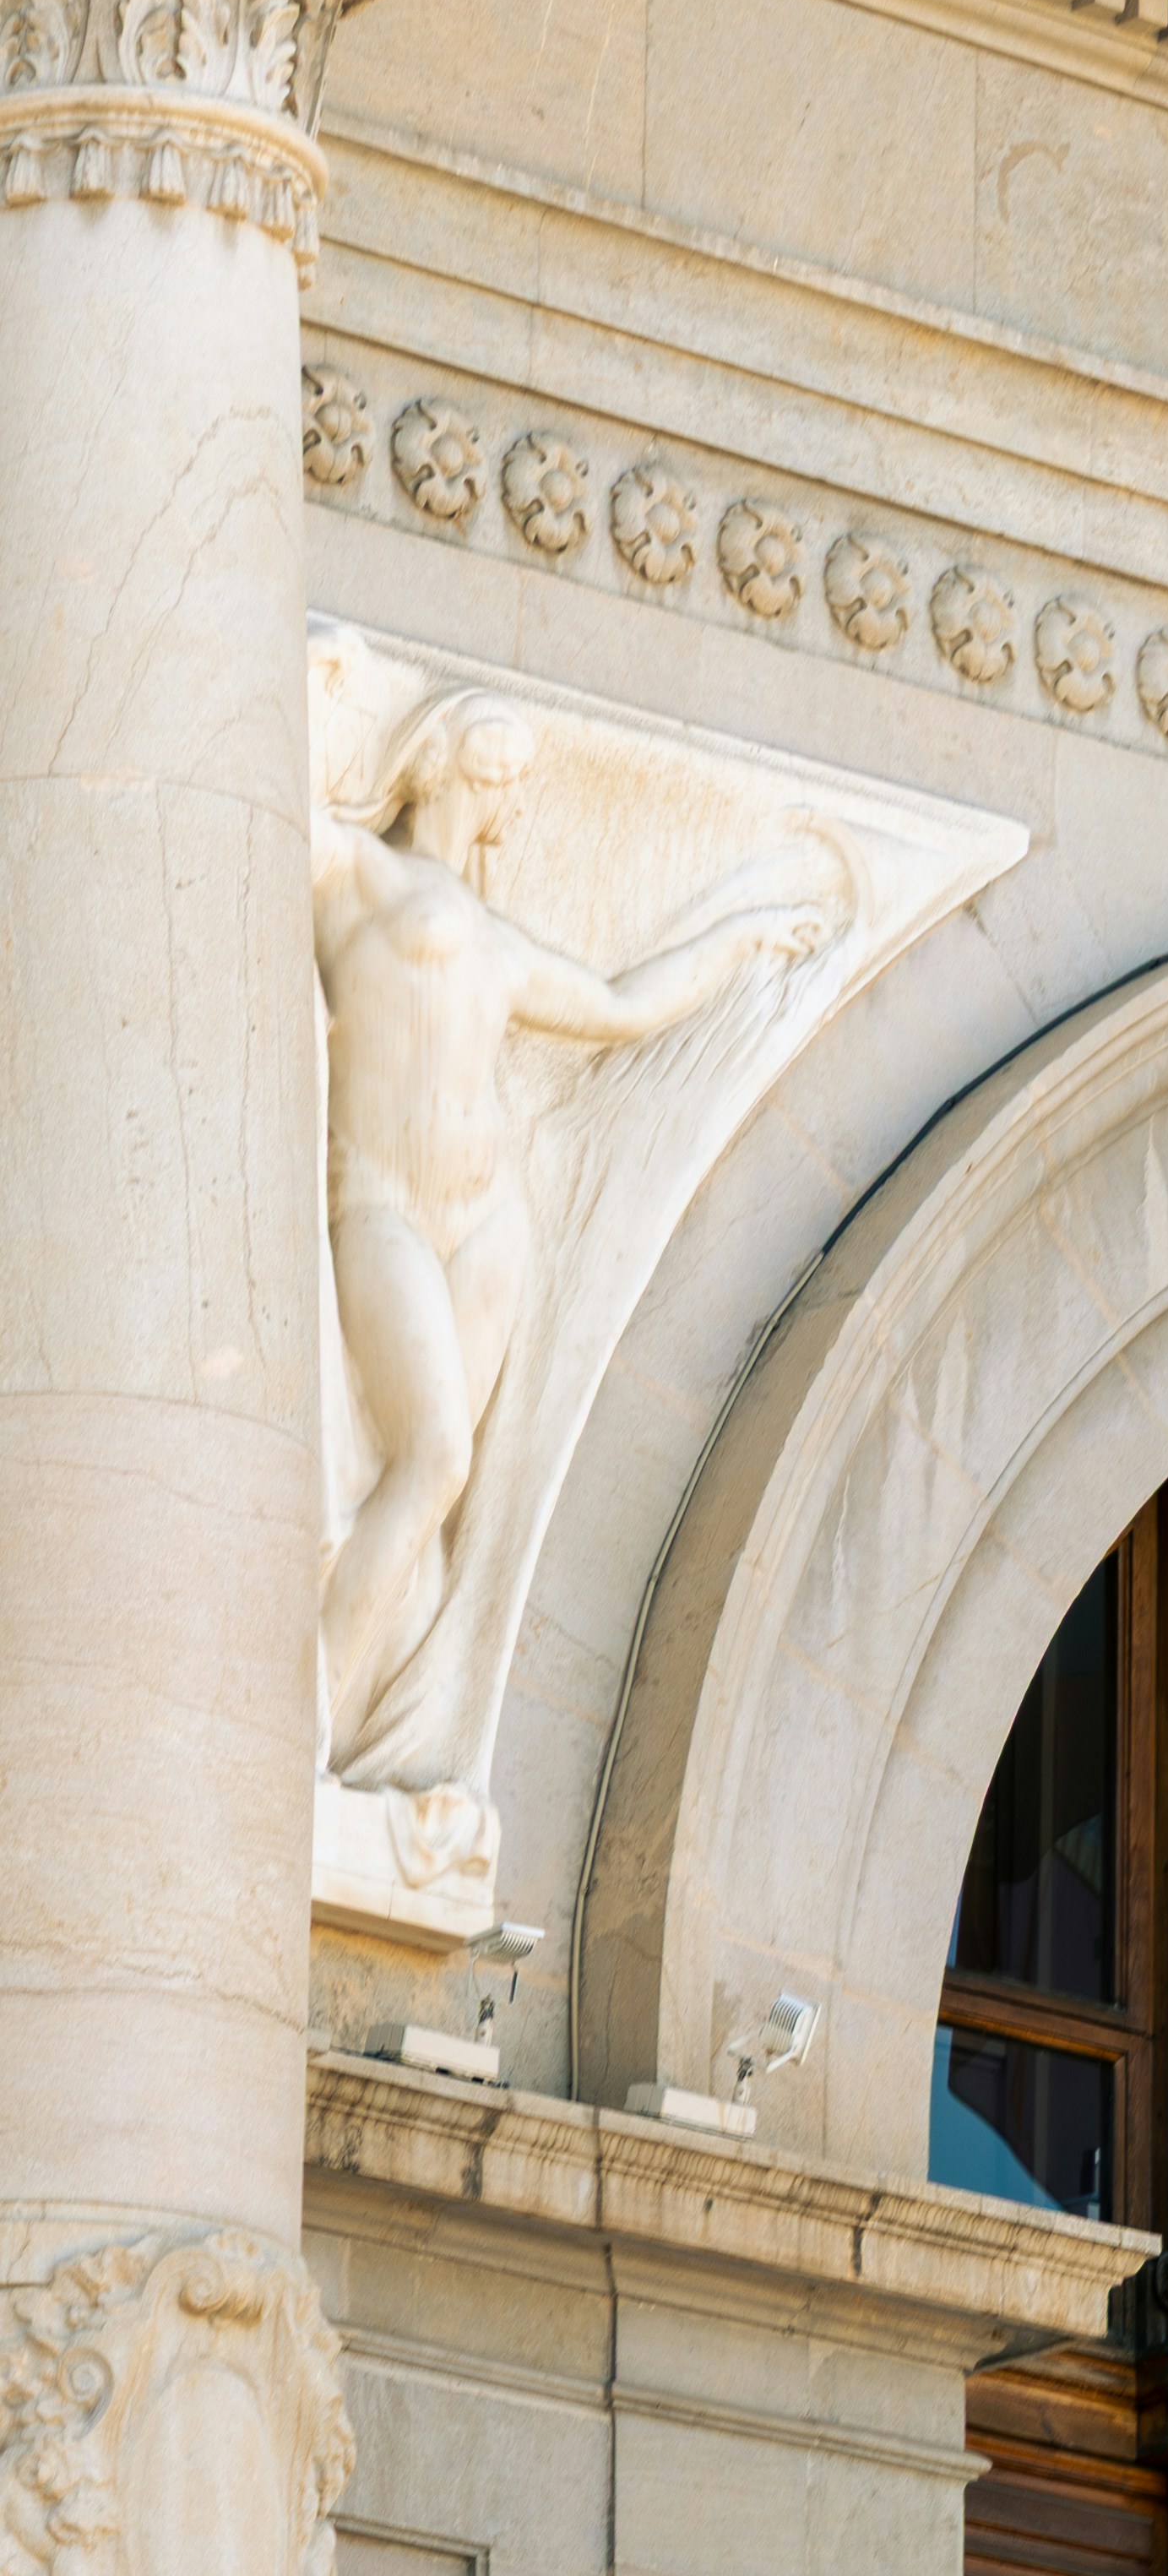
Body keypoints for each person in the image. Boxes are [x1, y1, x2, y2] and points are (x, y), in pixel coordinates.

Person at [312, 698, 834, 1772]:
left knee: (444, 1485)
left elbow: (617, 1003)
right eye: (500, 771)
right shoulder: (357, 873)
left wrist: (739, 940)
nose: (510, 794)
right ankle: (307, 1705)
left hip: (487, 1215)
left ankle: (387, 1717)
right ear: (449, 764)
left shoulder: (497, 938)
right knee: (431, 1456)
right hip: (381, 1206)